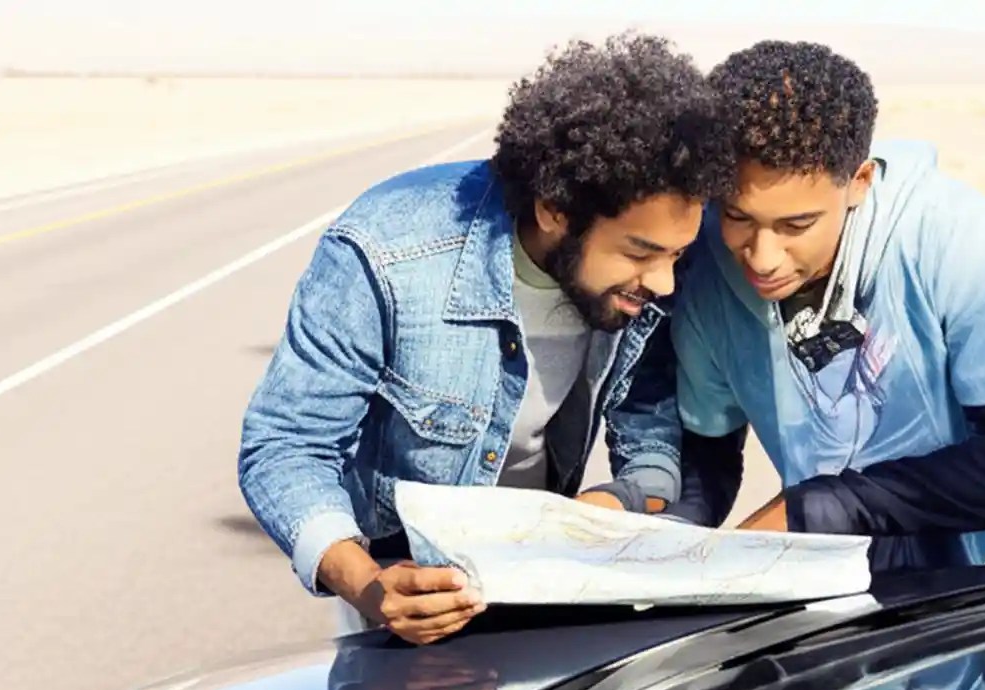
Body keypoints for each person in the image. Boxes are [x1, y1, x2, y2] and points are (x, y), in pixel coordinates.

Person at [238, 33, 734, 645]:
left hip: (548, 579)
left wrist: (619, 502)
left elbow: (647, 412)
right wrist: (370, 585)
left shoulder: (655, 258)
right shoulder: (386, 252)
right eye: (641, 253)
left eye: (676, 254)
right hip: (403, 578)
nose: (663, 280)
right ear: (555, 209)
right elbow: (287, 443)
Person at [666, 40, 985, 568]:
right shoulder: (704, 269)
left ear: (859, 181)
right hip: (845, 610)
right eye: (738, 217)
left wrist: (824, 509)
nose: (763, 257)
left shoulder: (959, 240)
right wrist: (654, 545)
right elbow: (707, 460)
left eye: (797, 225)